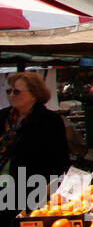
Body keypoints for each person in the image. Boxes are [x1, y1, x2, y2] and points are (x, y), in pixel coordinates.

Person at [2, 73, 71, 215]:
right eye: (9, 91)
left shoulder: (50, 121)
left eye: (16, 91)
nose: (11, 95)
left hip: (30, 189)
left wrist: (54, 189)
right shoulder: (2, 117)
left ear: (34, 95)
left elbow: (60, 159)